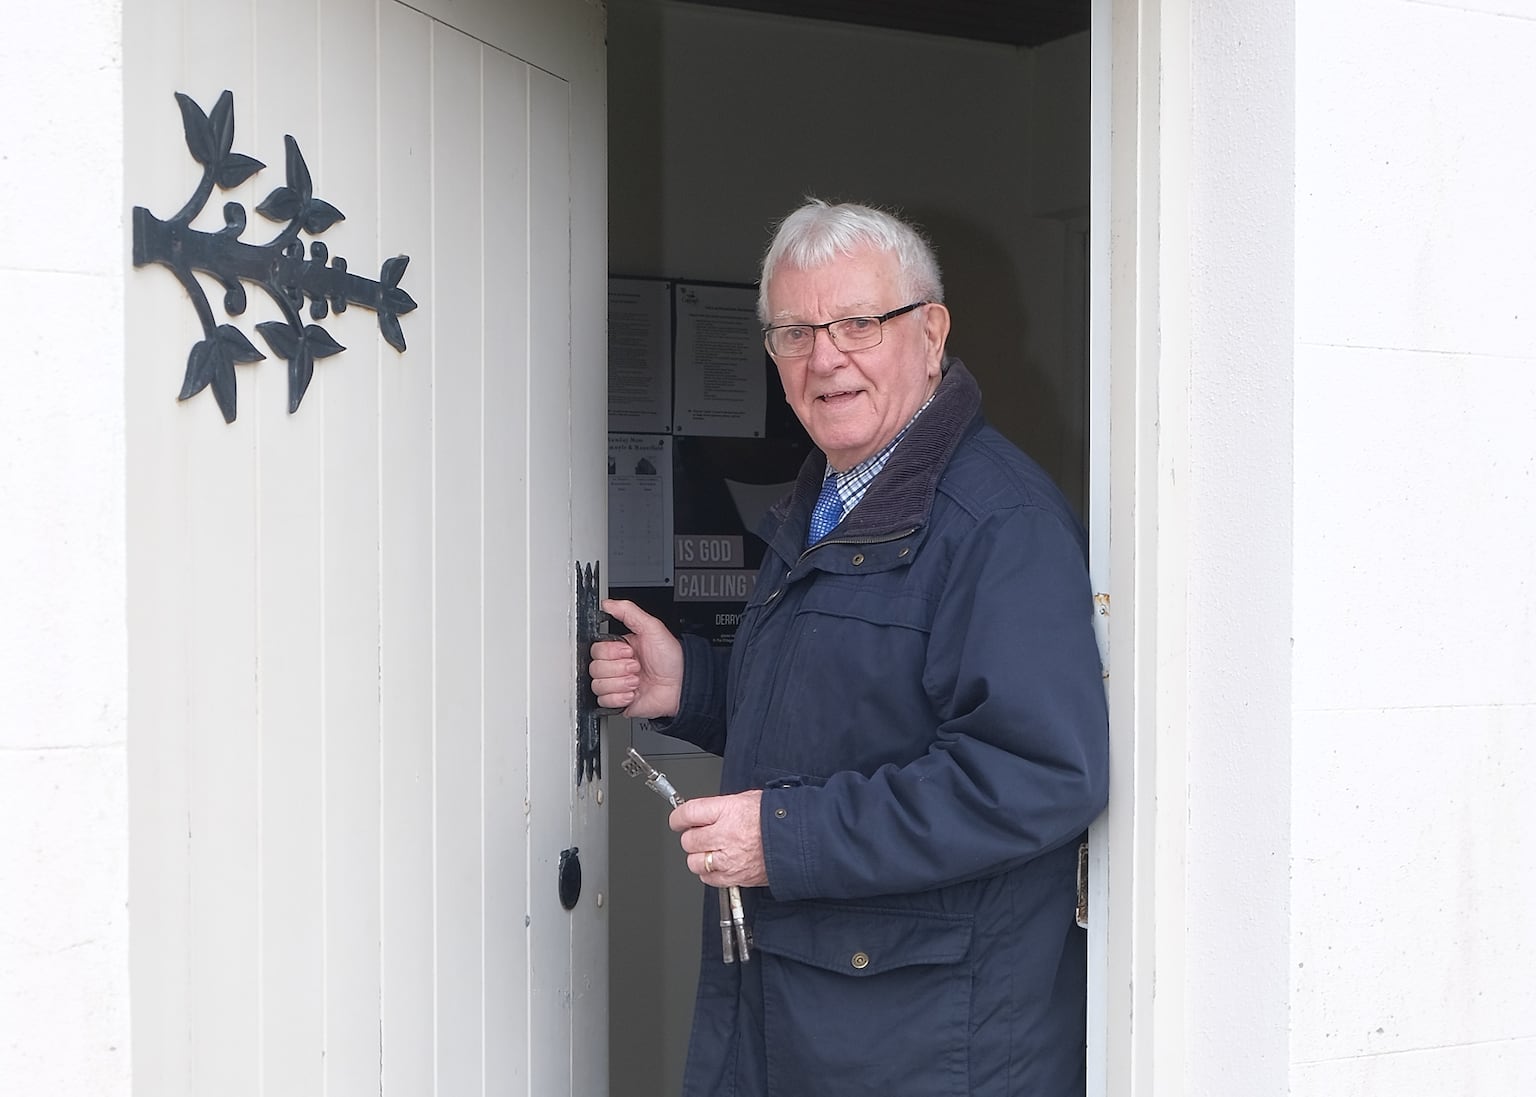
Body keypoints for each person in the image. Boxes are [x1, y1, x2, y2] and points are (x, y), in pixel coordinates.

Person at [591, 199, 1110, 1097]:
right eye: (794, 332)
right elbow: (851, 708)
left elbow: (1038, 773)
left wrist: (782, 837)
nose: (824, 356)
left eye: (859, 323)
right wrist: (694, 684)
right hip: (831, 1012)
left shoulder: (996, 523)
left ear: (931, 331)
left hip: (929, 1042)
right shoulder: (831, 501)